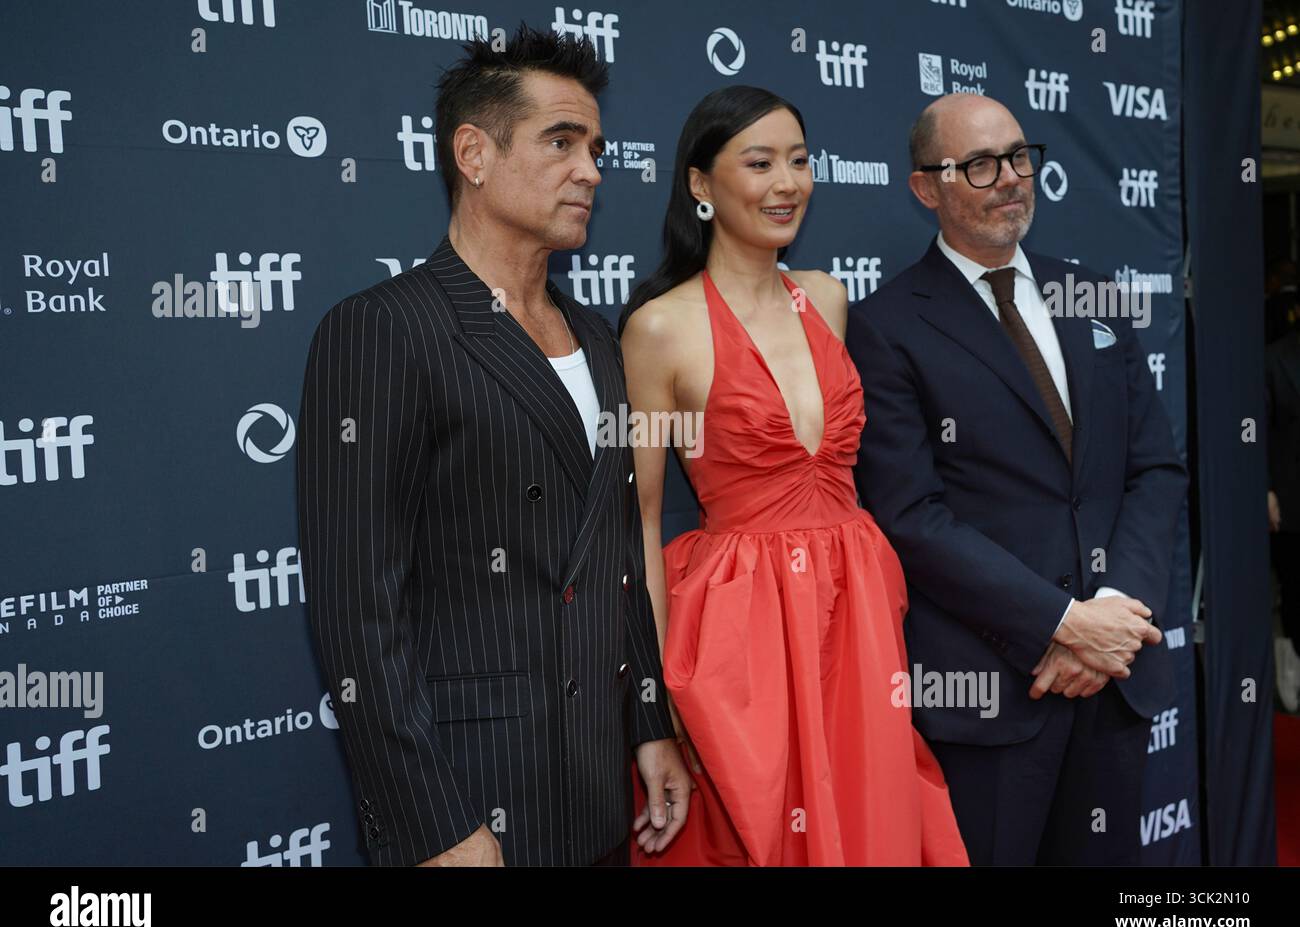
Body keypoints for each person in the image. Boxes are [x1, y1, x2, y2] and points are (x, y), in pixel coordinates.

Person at [295, 24, 689, 867]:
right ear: (473, 152)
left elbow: (616, 551)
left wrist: (649, 724)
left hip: (593, 787)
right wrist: (434, 821)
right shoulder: (381, 330)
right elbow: (358, 610)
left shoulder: (600, 337)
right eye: (560, 142)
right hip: (470, 793)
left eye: (595, 147)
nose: (590, 169)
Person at [618, 85, 969, 866]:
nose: (788, 183)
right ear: (702, 185)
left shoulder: (827, 299)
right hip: (742, 628)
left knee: (871, 822)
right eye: (760, 162)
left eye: (800, 161)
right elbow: (640, 522)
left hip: (857, 610)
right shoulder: (660, 330)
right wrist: (656, 696)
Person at [848, 93, 1187, 865]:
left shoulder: (1093, 294)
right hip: (994, 693)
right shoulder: (887, 324)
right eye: (979, 164)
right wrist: (1057, 623)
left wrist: (1105, 617)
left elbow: (1154, 471)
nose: (1009, 179)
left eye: (1019, 156)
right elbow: (911, 514)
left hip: (1112, 678)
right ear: (925, 188)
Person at [1267, 320, 1300, 711]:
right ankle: (1292, 685)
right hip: (1291, 507)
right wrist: (1266, 489)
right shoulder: (1274, 359)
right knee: (1293, 595)